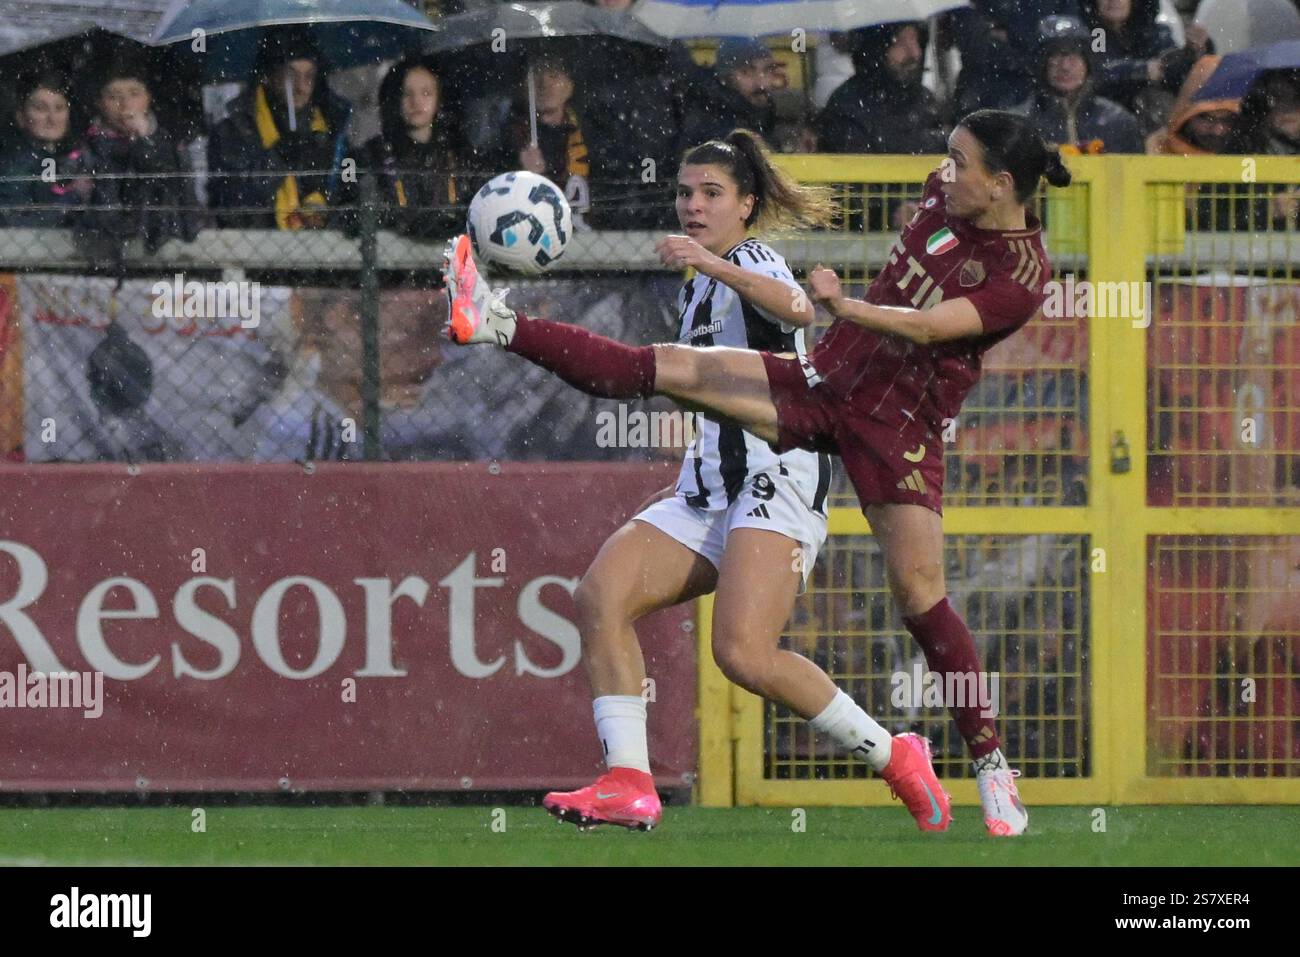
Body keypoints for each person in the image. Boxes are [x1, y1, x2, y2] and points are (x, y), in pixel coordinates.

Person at [443, 110, 1074, 837]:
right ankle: (491, 320)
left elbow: (925, 328)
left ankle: (988, 765)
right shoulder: (939, 195)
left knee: (915, 597)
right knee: (659, 380)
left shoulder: (1022, 276)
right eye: (687, 192)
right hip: (821, 380)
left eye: (960, 162)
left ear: (1000, 185)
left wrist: (846, 305)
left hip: (894, 425)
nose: (943, 170)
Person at [208, 30, 352, 229]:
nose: (301, 87)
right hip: (253, 250)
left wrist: (321, 212)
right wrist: (277, 158)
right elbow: (231, 201)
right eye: (291, 76)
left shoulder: (329, 133)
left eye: (309, 76)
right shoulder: (233, 132)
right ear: (269, 76)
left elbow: (346, 191)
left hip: (320, 252)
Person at [68, 57, 200, 256]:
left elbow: (182, 197)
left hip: (167, 251)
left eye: (134, 94)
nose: (125, 105)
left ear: (148, 98)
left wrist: (145, 141)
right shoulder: (85, 146)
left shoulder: (173, 143)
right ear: (100, 103)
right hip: (101, 250)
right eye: (114, 96)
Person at [358, 56, 461, 240]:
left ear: (439, 99)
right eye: (407, 94)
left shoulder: (457, 152)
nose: (416, 102)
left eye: (426, 93)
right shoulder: (373, 154)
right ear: (395, 99)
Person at [1013, 15, 1144, 153]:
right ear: (1041, 65)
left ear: (1088, 64)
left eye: (1073, 56)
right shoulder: (1021, 123)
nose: (1065, 67)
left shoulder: (1118, 121)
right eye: (1055, 56)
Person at [816, 21, 949, 155]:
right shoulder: (847, 106)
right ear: (876, 49)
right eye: (899, 42)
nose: (914, 52)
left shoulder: (924, 100)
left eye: (915, 39)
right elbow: (858, 168)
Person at [0, 71, 82, 226]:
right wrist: (71, 200)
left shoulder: (51, 155)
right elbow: (13, 222)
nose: (52, 118)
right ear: (21, 116)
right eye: (40, 108)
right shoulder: (16, 161)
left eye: (59, 108)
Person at [681, 39, 779, 147]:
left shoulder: (765, 115)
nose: (762, 84)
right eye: (747, 72)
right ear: (726, 77)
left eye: (768, 70)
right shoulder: (707, 120)